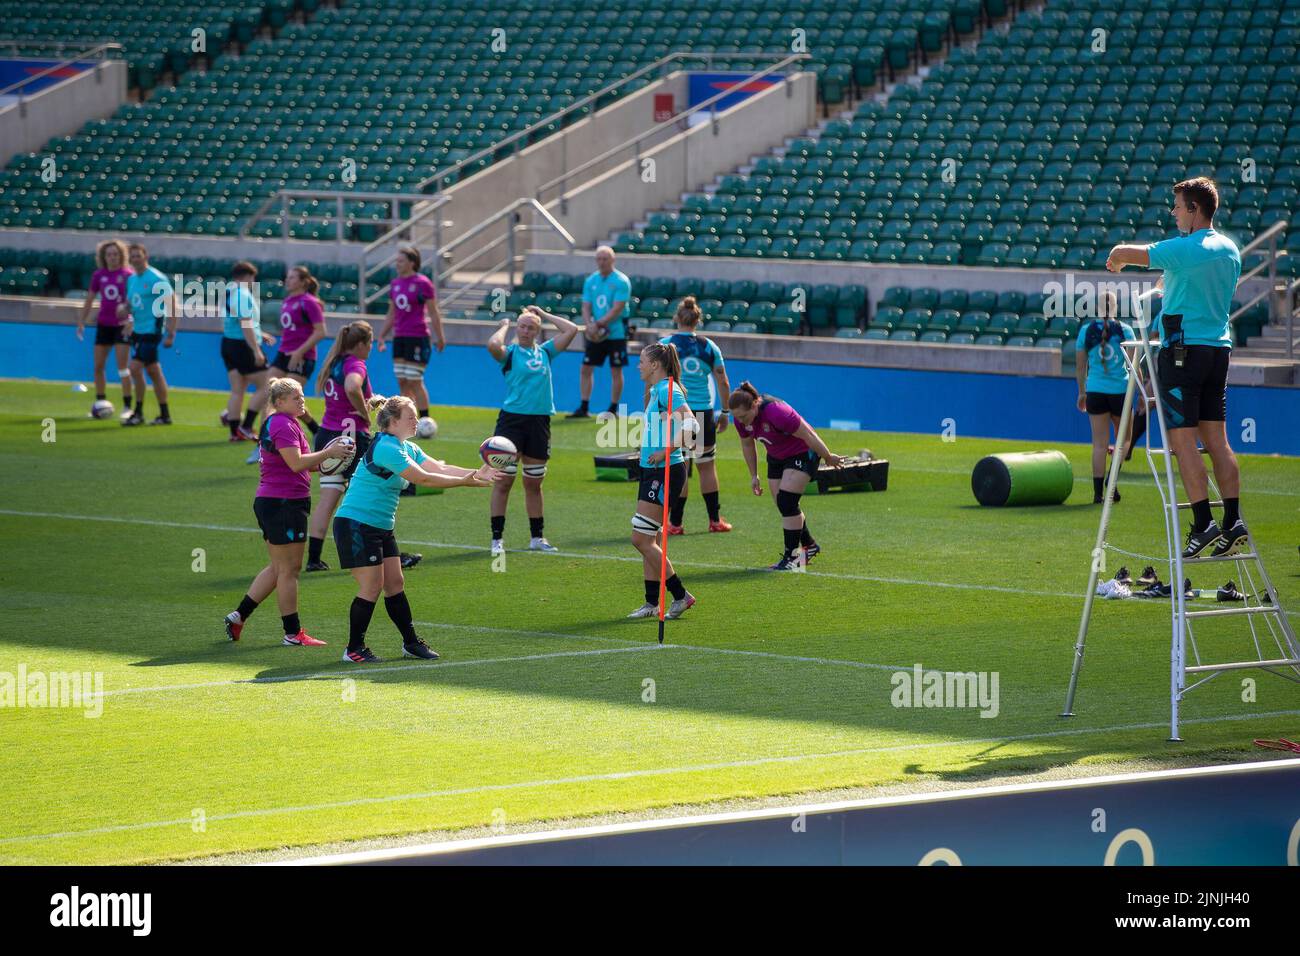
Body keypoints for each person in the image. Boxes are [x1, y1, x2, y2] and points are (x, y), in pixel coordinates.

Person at [1106, 176, 1246, 558]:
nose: (1174, 213)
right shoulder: (1230, 249)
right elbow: (1190, 287)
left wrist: (1116, 257)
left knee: (1182, 440)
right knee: (1217, 439)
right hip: (1218, 349)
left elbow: (1127, 251)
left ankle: (1203, 524)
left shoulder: (1187, 248)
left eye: (1178, 206)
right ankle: (1233, 520)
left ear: (1194, 210)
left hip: (1183, 352)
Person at [334, 395, 498, 663]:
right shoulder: (387, 447)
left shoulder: (405, 447)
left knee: (395, 582)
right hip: (357, 523)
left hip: (379, 525)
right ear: (394, 421)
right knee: (372, 586)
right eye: (411, 417)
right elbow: (422, 478)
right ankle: (353, 649)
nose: (417, 421)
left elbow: (439, 468)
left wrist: (479, 473)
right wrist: (465, 483)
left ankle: (410, 644)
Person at [224, 378, 337, 647]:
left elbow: (305, 465)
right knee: (290, 569)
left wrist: (331, 461)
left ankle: (239, 616)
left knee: (278, 567)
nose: (302, 401)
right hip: (283, 503)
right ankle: (292, 633)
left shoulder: (287, 423)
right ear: (279, 402)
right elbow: (297, 463)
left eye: (301, 396)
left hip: (279, 502)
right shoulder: (283, 424)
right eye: (296, 398)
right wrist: (328, 452)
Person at [485, 304, 581, 555]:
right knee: (504, 481)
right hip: (511, 422)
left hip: (539, 422)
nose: (526, 331)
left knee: (534, 483)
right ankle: (497, 539)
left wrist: (544, 314)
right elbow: (493, 346)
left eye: (531, 328)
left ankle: (537, 538)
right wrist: (504, 325)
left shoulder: (546, 352)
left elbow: (571, 329)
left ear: (538, 332)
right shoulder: (510, 353)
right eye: (523, 326)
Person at [728, 382, 844, 570]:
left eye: (743, 416)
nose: (741, 421)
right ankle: (810, 546)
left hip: (802, 452)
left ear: (755, 404)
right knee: (784, 505)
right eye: (737, 418)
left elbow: (808, 435)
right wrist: (753, 475)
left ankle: (791, 558)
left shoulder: (776, 412)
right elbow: (748, 445)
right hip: (776, 456)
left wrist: (828, 456)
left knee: (787, 502)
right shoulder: (740, 419)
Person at [626, 342, 697, 620]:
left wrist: (666, 449)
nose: (639, 365)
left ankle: (680, 595)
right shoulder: (657, 390)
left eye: (642, 361)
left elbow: (692, 424)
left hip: (665, 470)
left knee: (640, 539)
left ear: (655, 365)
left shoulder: (669, 390)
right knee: (651, 538)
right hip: (651, 469)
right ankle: (651, 603)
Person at [657, 296, 733, 534]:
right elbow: (722, 381)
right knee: (706, 466)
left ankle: (676, 523)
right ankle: (714, 520)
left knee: (680, 466)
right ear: (697, 320)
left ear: (677, 318)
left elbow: (653, 381)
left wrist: (652, 410)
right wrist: (726, 412)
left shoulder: (665, 345)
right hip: (702, 412)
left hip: (676, 411)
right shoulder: (709, 346)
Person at [305, 321, 375, 572]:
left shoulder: (333, 361)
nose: (371, 348)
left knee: (328, 498)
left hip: (327, 436)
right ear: (359, 344)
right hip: (351, 439)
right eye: (370, 343)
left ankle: (314, 558)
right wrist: (364, 413)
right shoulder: (355, 364)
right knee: (367, 497)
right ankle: (375, 554)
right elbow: (352, 386)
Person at [1075, 289, 1142, 503]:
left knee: (1099, 445)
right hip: (1120, 392)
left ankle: (1097, 494)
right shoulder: (1126, 331)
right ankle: (1111, 481)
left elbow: (1079, 368)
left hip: (1095, 391)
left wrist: (1082, 393)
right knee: (1125, 441)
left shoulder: (1085, 331)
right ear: (1115, 308)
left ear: (1096, 308)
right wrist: (1140, 393)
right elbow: (1134, 369)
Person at [377, 246, 444, 424]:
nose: (397, 264)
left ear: (412, 262)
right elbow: (391, 313)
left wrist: (440, 336)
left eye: (401, 261)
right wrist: (382, 335)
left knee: (415, 380)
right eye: (396, 261)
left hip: (418, 337)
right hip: (400, 338)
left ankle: (425, 420)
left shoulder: (423, 283)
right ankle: (408, 419)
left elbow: (433, 312)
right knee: (402, 381)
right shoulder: (395, 284)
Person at [568, 245, 631, 419]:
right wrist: (589, 324)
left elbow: (618, 308)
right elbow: (586, 305)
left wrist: (599, 323)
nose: (602, 262)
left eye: (605, 259)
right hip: (596, 333)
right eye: (599, 259)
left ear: (613, 260)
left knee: (616, 370)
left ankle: (613, 408)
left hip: (616, 331)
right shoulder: (591, 281)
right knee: (586, 367)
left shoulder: (621, 281)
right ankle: (584, 406)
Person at [75, 239, 133, 418]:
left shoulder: (129, 275)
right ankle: (100, 403)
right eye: (109, 254)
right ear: (103, 257)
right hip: (104, 324)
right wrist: (81, 321)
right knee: (98, 367)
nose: (112, 257)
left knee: (122, 367)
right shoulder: (99, 275)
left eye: (115, 254)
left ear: (121, 256)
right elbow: (90, 298)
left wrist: (132, 320)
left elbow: (134, 301)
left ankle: (127, 407)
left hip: (122, 326)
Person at [122, 243, 178, 426]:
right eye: (132, 256)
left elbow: (172, 304)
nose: (135, 259)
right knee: (153, 371)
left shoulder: (156, 278)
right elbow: (134, 305)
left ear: (145, 257)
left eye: (138, 255)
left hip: (152, 331)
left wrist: (171, 332)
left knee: (135, 368)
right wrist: (127, 316)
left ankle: (137, 412)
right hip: (138, 332)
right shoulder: (132, 279)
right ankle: (165, 414)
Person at [267, 264, 327, 435]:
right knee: (272, 393)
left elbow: (321, 332)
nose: (287, 280)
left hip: (302, 356)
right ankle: (315, 429)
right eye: (288, 277)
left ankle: (282, 438)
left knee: (288, 400)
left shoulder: (310, 302)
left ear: (303, 282)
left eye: (292, 277)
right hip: (283, 353)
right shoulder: (287, 301)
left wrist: (300, 351)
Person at [219, 261, 275, 442]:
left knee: (238, 390)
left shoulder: (228, 291)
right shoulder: (243, 295)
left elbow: (237, 321)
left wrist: (260, 333)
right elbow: (245, 323)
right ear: (248, 276)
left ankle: (235, 433)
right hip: (244, 345)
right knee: (266, 386)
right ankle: (246, 426)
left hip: (229, 342)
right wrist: (256, 349)